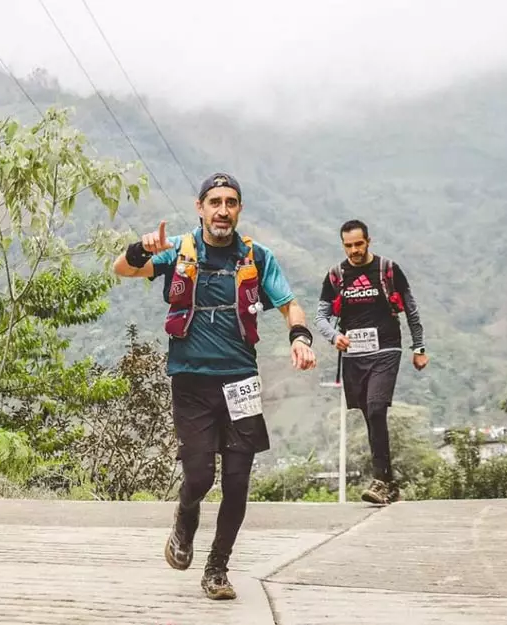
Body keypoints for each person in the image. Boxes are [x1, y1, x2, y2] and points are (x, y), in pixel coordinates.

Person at [112, 172, 317, 601]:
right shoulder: (179, 249)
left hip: (241, 380)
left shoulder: (257, 256)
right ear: (200, 207)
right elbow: (123, 269)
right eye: (215, 202)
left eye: (231, 202)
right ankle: (184, 521)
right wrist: (140, 247)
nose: (223, 210)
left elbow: (289, 303)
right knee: (201, 476)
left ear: (239, 209)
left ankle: (217, 568)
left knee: (239, 481)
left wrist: (300, 337)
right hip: (191, 382)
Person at [314, 219, 427, 505]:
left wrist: (419, 347)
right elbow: (320, 317)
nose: (354, 250)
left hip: (387, 349)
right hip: (354, 356)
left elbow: (411, 310)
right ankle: (388, 483)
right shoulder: (336, 275)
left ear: (368, 241)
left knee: (377, 409)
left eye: (358, 244)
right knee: (369, 416)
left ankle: (379, 480)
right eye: (348, 245)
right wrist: (333, 336)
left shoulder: (388, 270)